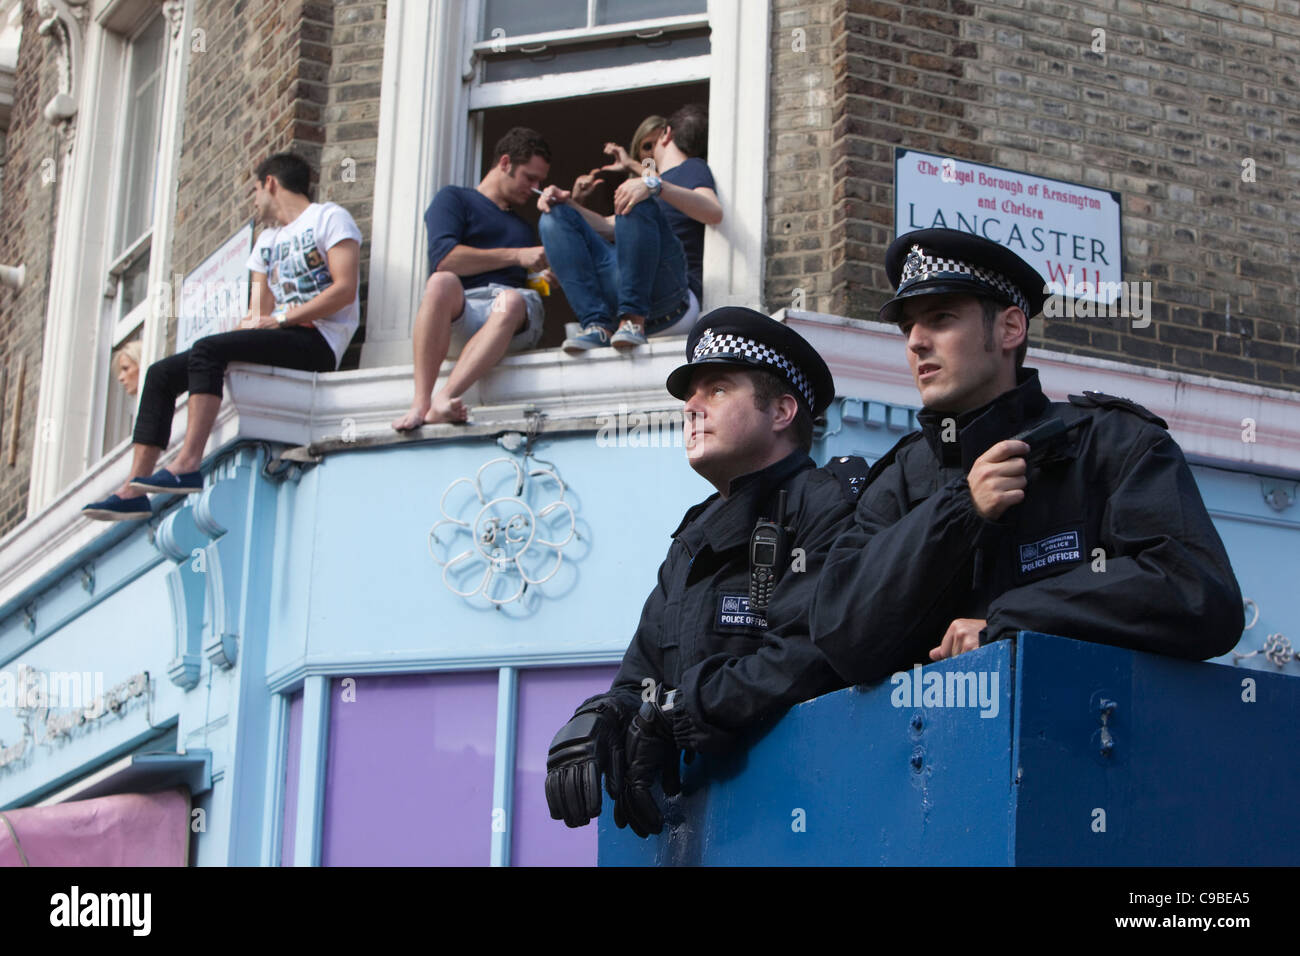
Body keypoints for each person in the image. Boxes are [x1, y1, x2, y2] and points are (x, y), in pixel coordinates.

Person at [808, 228, 1245, 684]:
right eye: (907, 328)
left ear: (1010, 328)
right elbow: (842, 637)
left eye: (940, 318)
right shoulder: (898, 478)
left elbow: (1196, 591)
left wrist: (1013, 622)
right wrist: (961, 510)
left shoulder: (1110, 442)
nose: (916, 342)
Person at [545, 308, 869, 838]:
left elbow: (810, 654)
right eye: (690, 396)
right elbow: (643, 674)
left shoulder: (828, 505)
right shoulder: (693, 539)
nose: (692, 407)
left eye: (717, 390)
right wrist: (605, 715)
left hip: (803, 819)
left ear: (783, 410)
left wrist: (673, 714)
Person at [81, 153, 362, 521]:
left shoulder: (329, 218)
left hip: (318, 342)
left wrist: (279, 319)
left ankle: (187, 463)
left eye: (256, 191)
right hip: (281, 334)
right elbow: (258, 313)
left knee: (208, 351)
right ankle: (134, 487)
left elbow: (344, 290)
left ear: (271, 183)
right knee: (163, 373)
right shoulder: (267, 242)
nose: (255, 200)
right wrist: (251, 327)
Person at [391, 128, 554, 430]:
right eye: (530, 178)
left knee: (510, 300)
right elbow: (445, 259)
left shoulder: (522, 226)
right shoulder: (454, 199)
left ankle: (446, 397)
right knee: (441, 282)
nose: (536, 189)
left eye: (539, 182)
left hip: (510, 313)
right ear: (505, 163)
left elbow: (523, 282)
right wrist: (517, 256)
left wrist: (541, 278)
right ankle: (420, 402)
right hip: (465, 311)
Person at [536, 104, 721, 354]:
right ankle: (596, 324)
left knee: (634, 195)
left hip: (671, 298)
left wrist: (652, 185)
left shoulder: (691, 168)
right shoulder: (642, 191)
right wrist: (566, 203)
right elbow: (606, 227)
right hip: (626, 290)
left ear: (666, 134)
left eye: (648, 147)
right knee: (554, 217)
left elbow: (713, 211)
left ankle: (634, 321)